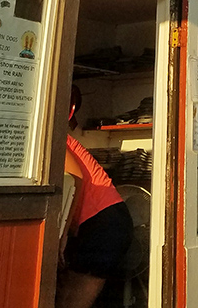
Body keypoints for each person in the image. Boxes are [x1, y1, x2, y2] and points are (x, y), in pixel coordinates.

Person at [57, 87, 134, 308]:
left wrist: (62, 235)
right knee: (65, 294)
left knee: (70, 302)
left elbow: (75, 177)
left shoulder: (53, 138)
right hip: (106, 220)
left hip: (103, 223)